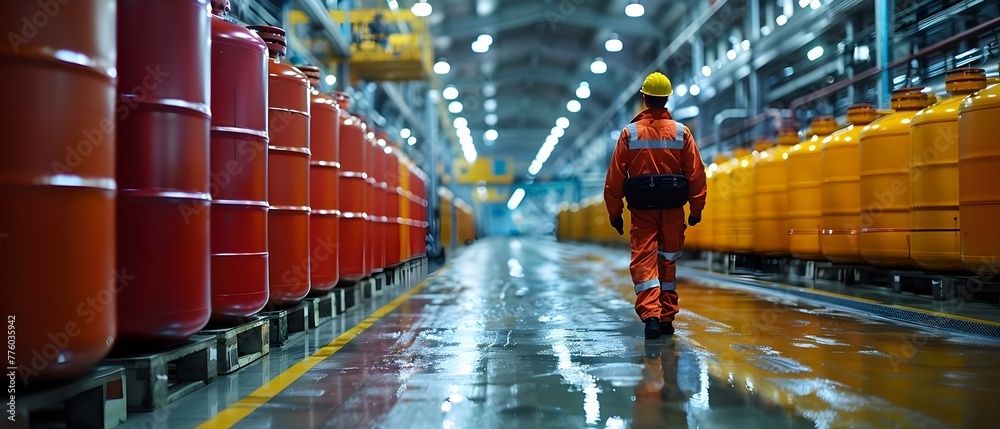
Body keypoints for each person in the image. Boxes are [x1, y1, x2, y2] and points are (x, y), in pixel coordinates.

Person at [603, 71, 707, 339]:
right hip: (673, 207)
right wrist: (696, 209)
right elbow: (696, 173)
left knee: (645, 259)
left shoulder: (630, 133)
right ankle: (666, 318)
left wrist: (615, 213)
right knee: (668, 260)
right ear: (667, 99)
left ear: (645, 99)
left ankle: (651, 316)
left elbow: (615, 177)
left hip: (642, 208)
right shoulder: (682, 133)